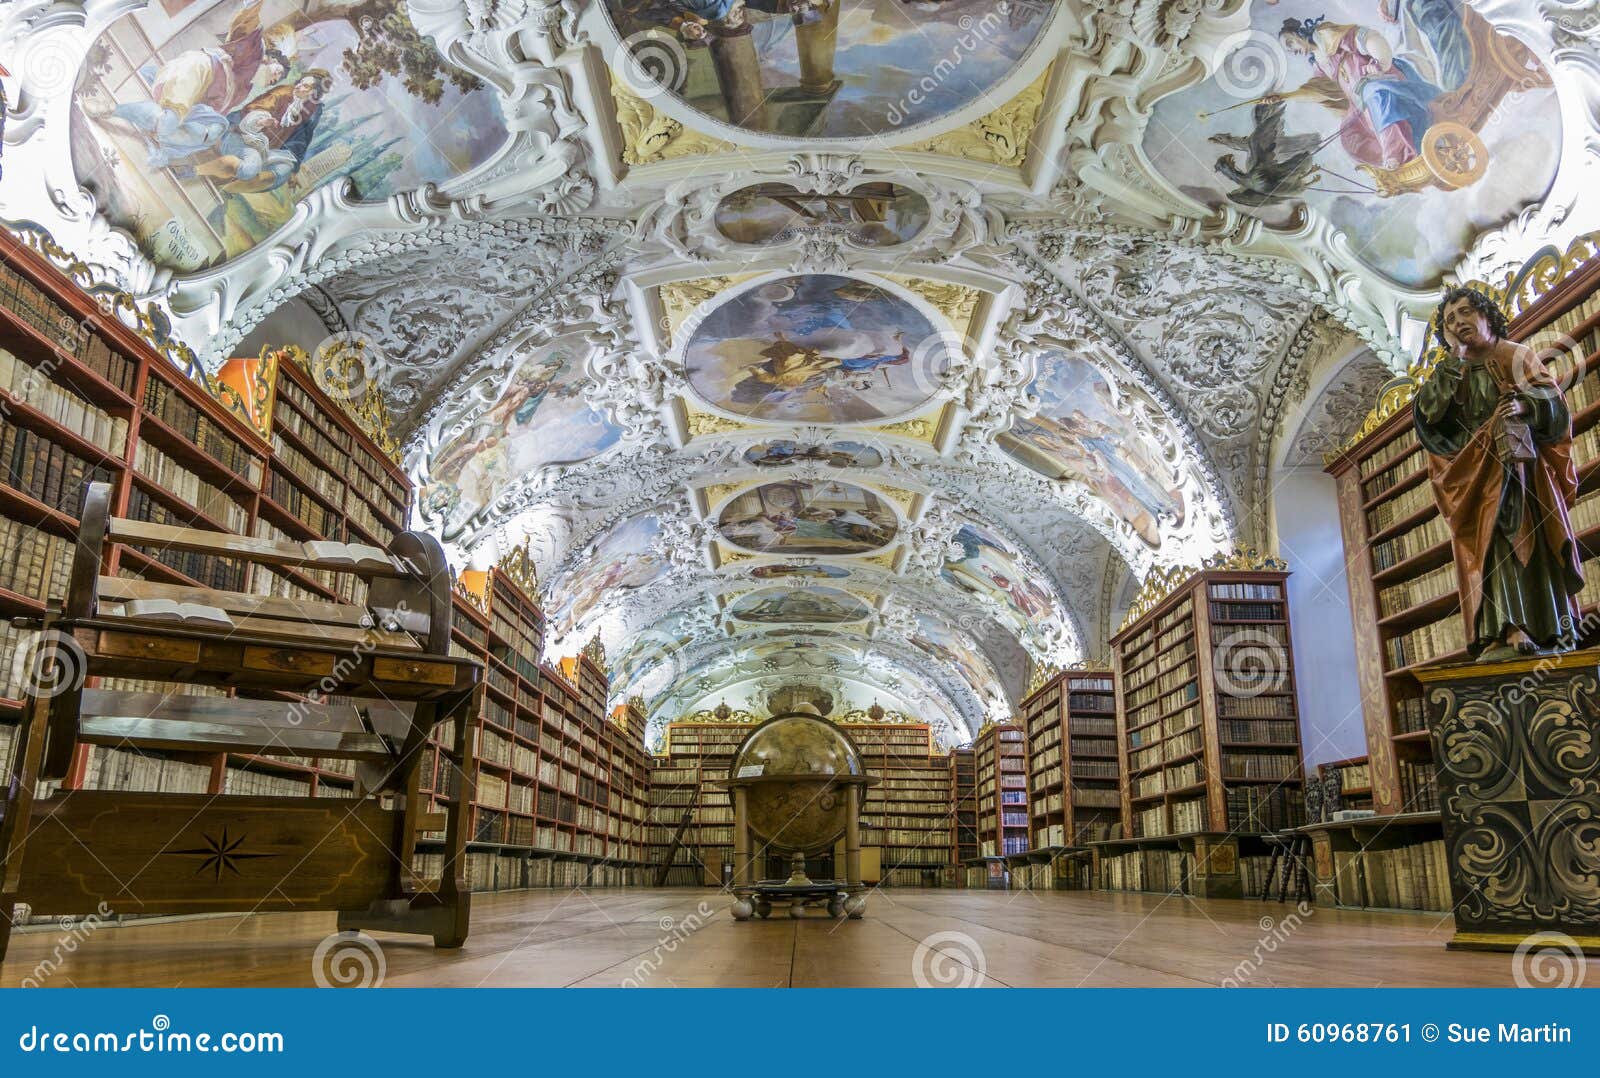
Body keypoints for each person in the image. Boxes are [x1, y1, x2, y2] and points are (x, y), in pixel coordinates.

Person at [1413, 287, 1583, 657]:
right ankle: (1501, 629)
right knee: (1489, 547)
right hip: (1474, 476)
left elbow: (1554, 406)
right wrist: (1454, 363)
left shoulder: (1515, 355)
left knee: (1525, 538)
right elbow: (1429, 420)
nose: (1458, 322)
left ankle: (1549, 627)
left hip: (1522, 471)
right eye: (1449, 320)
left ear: (1487, 316)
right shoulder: (1449, 371)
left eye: (1465, 312)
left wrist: (1525, 405)